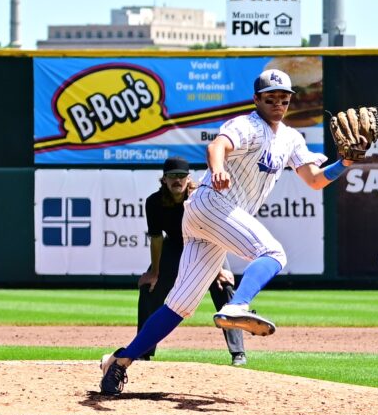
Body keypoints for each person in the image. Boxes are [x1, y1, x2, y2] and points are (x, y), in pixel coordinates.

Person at [98, 69, 353, 395]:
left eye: (284, 98)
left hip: (210, 220)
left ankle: (119, 361)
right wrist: (217, 169)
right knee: (273, 253)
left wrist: (344, 163)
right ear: (257, 100)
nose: (278, 103)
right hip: (213, 203)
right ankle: (238, 305)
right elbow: (217, 146)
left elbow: (315, 179)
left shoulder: (290, 138)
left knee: (179, 306)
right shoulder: (247, 125)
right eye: (270, 98)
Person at [139, 158, 248, 367]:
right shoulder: (154, 202)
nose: (177, 180)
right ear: (164, 179)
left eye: (181, 176)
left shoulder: (200, 198)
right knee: (149, 287)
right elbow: (157, 238)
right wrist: (154, 271)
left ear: (188, 178)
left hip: (207, 244)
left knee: (223, 286)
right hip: (175, 247)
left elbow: (217, 232)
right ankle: (143, 350)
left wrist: (218, 270)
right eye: (172, 176)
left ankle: (238, 353)